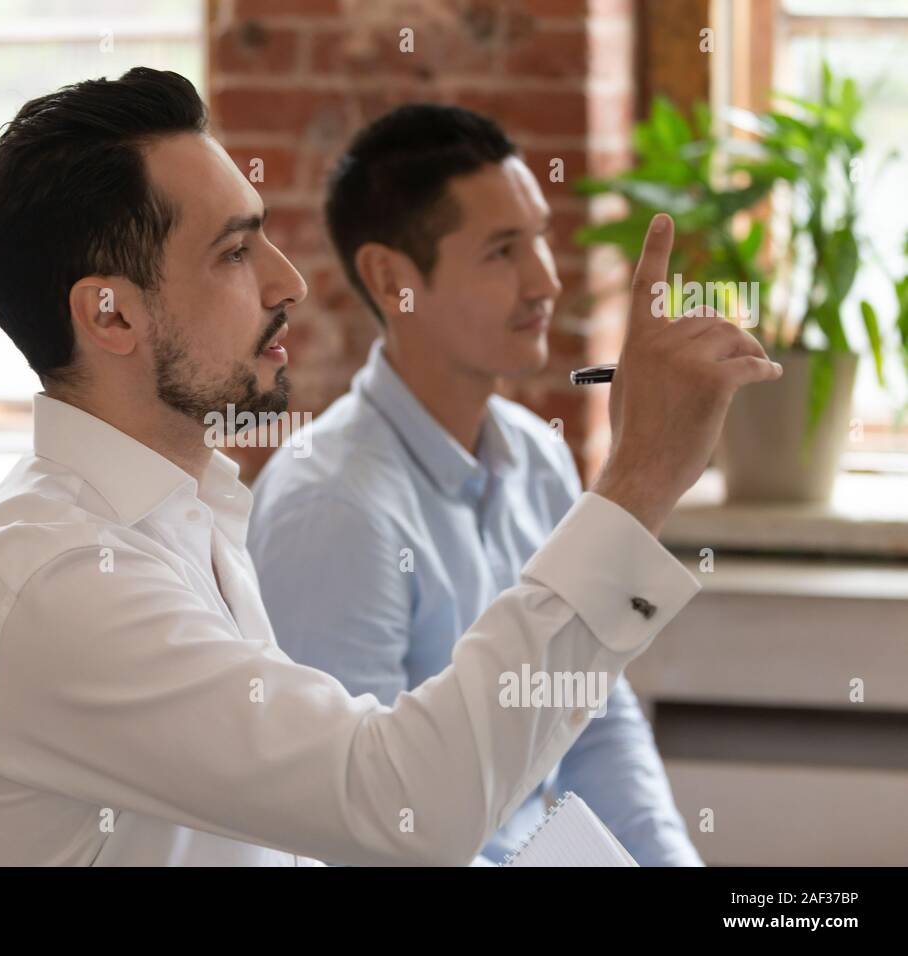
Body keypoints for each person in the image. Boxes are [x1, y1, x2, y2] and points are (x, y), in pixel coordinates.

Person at [0, 67, 781, 866]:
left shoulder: (185, 514)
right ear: (112, 316)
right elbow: (402, 808)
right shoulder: (62, 580)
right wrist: (638, 482)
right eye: (236, 252)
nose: (289, 283)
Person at [249, 105, 701, 865]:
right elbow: (356, 833)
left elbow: (595, 718)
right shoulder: (331, 508)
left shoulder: (537, 456)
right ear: (393, 280)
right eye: (501, 251)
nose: (546, 281)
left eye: (541, 240)